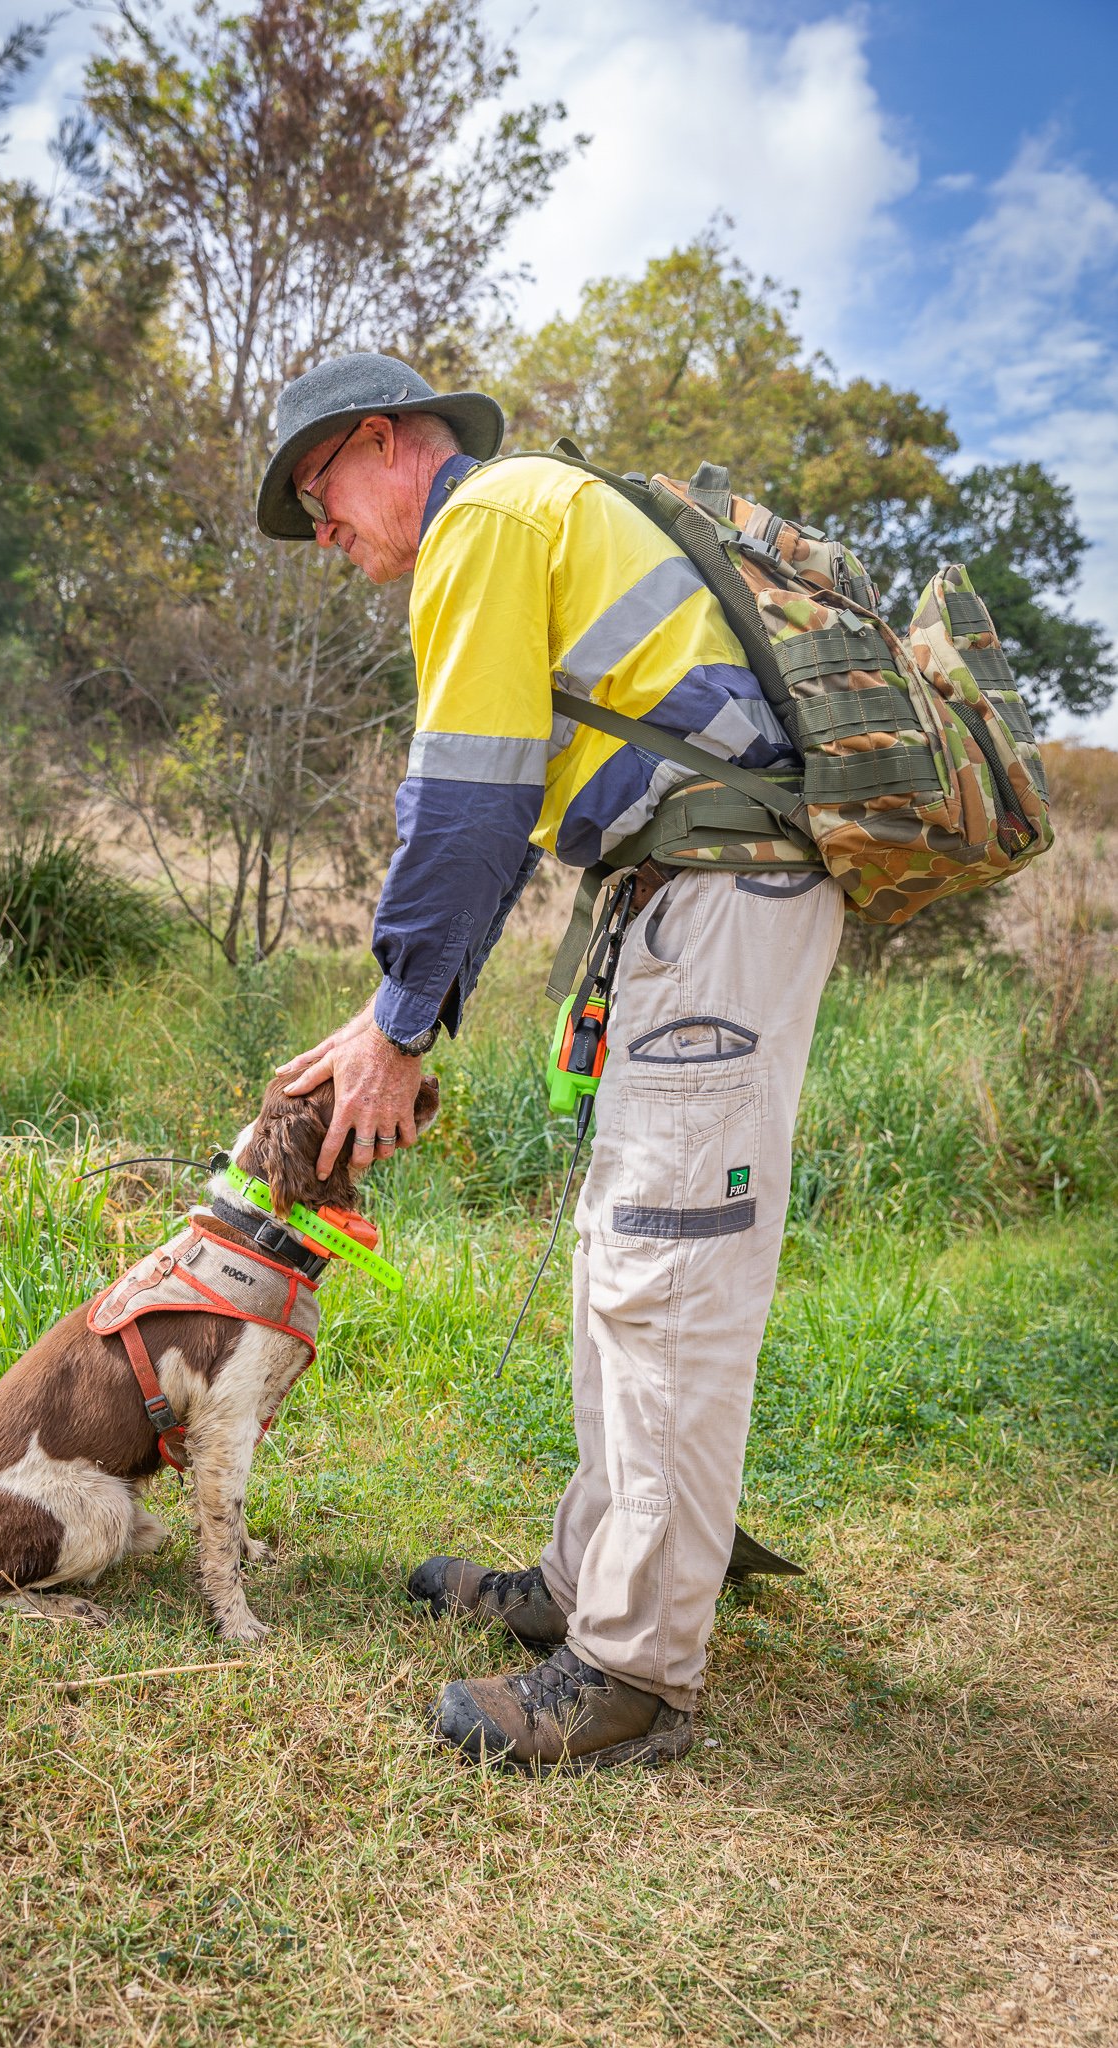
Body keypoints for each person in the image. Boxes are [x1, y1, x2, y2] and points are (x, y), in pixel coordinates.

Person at [256, 351, 844, 1772]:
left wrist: (399, 1027)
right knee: (620, 1252)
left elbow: (464, 800)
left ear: (382, 440)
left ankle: (634, 1670)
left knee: (664, 1267)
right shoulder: (517, 520)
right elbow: (500, 799)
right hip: (681, 900)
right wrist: (394, 1005)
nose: (323, 536)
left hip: (715, 903)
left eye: (316, 496)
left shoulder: (486, 524)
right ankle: (582, 1584)